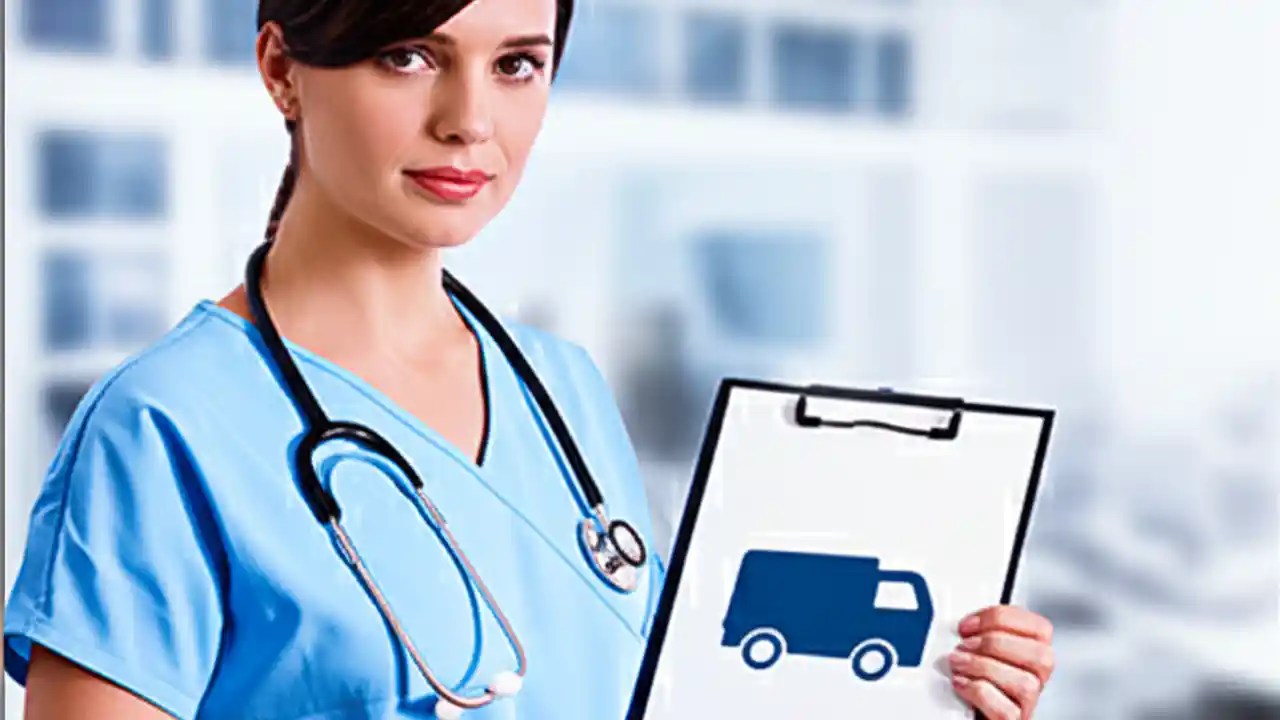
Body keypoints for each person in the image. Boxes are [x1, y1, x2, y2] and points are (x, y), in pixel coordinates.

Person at [2, 0, 1057, 717]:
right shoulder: (165, 427)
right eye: (407, 55)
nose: (469, 122)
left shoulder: (563, 391)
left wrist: (934, 686)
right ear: (282, 68)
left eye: (516, 65)